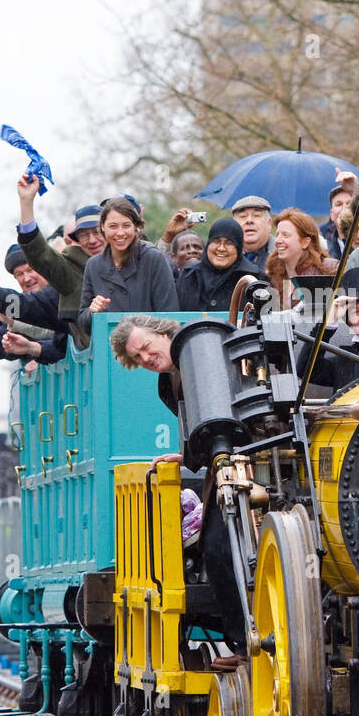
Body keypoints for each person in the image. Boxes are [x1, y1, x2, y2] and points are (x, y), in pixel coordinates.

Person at [109, 312, 247, 670]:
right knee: (216, 549)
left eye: (146, 348)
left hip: (252, 460)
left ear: (164, 332)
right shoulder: (166, 385)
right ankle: (245, 644)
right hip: (222, 471)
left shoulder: (209, 356)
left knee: (224, 548)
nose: (146, 359)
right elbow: (199, 431)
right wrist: (184, 455)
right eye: (137, 359)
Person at [16, 177, 105, 345]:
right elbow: (40, 255)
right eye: (84, 235)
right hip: (100, 362)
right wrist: (26, 201)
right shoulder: (70, 270)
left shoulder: (138, 256)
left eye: (97, 232)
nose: (92, 240)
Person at [78, 197, 179, 333]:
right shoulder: (93, 265)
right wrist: (92, 311)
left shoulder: (153, 258)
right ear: (102, 227)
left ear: (136, 227)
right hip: (108, 346)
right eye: (113, 226)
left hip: (147, 347)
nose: (120, 233)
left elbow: (169, 315)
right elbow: (83, 323)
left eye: (126, 225)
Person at [176, 218, 255, 312]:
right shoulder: (189, 275)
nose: (221, 248)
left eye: (229, 243)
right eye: (216, 241)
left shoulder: (253, 279)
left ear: (238, 248)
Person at [265, 207, 338, 309]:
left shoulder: (330, 270)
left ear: (305, 242)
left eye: (285, 235)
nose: (278, 240)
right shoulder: (274, 274)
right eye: (277, 235)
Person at [229, 196, 274, 272]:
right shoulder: (224, 257)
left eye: (256, 215)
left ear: (269, 224)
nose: (249, 220)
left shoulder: (282, 256)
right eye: (243, 216)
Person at [319, 176, 359, 261]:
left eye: (349, 203)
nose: (344, 208)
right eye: (339, 204)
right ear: (332, 215)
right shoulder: (324, 251)